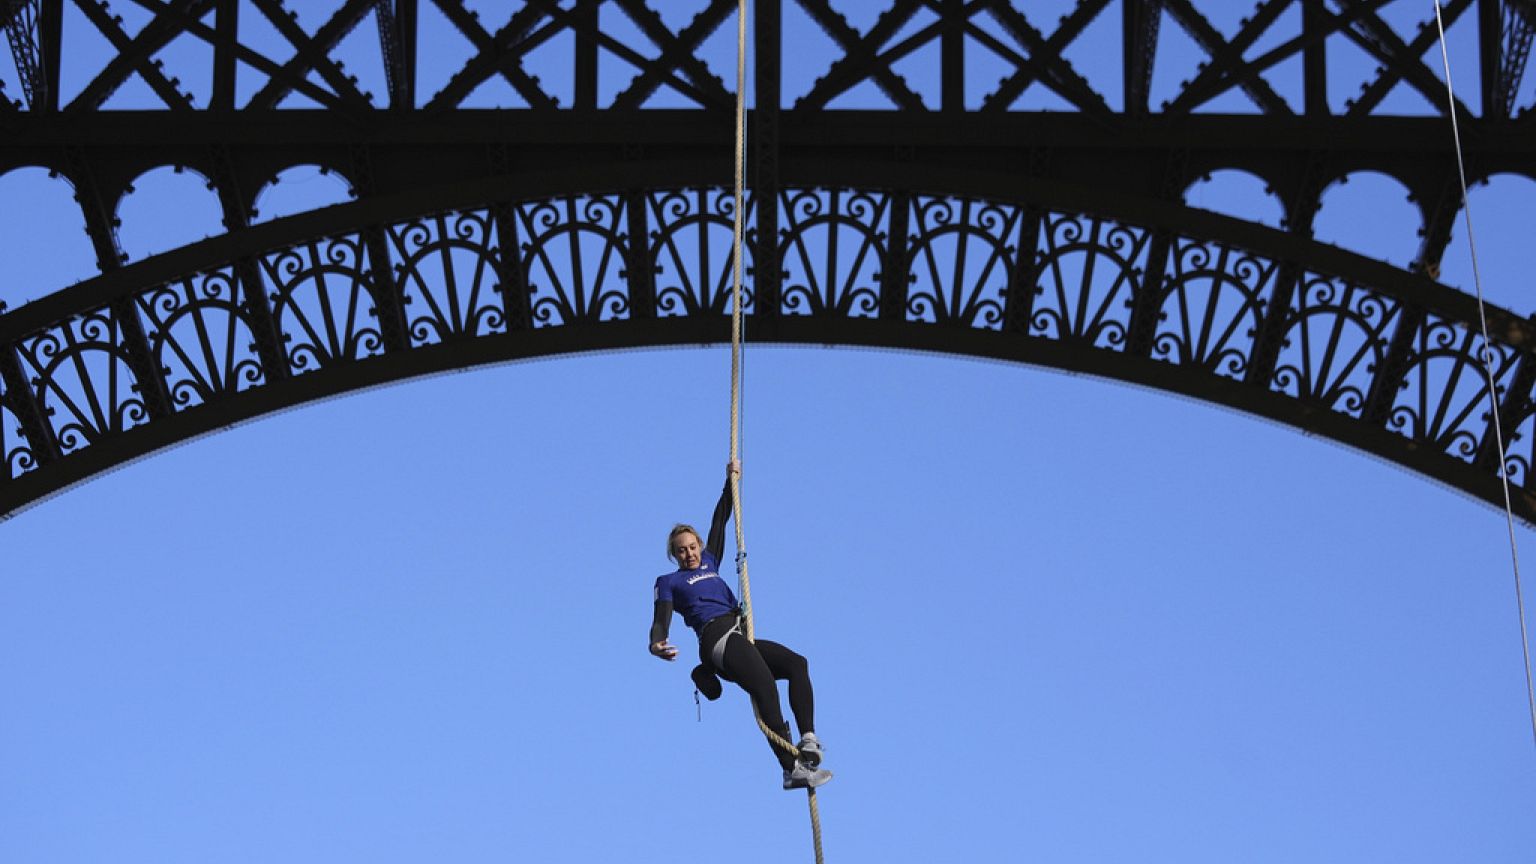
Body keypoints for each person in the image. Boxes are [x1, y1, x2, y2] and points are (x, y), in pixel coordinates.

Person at [648, 461, 832, 790]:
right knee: (764, 686)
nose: (689, 553)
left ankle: (807, 739)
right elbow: (660, 620)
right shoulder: (669, 582)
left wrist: (729, 480)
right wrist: (656, 643)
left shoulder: (710, 561)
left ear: (699, 546)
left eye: (692, 546)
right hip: (717, 639)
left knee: (796, 663)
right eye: (681, 550)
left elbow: (721, 519)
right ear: (673, 555)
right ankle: (791, 769)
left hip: (738, 634)